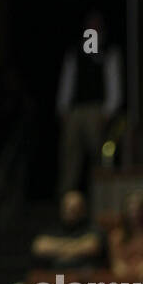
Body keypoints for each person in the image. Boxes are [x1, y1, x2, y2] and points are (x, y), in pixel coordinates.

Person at [55, 12, 123, 195]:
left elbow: (113, 81)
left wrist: (108, 110)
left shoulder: (109, 52)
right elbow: (68, 81)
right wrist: (63, 108)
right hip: (76, 111)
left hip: (96, 110)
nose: (92, 30)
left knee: (98, 160)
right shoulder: (76, 52)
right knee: (70, 159)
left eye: (96, 27)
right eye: (89, 27)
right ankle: (68, 204)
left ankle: (101, 200)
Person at [30, 191, 107, 271]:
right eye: (66, 206)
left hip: (84, 279)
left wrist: (55, 248)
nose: (69, 210)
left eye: (74, 207)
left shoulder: (91, 228)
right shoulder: (53, 228)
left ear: (83, 210)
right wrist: (77, 247)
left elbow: (92, 246)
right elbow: (39, 246)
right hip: (53, 278)